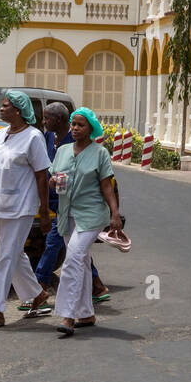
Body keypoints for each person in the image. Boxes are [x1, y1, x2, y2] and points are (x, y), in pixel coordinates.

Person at [0, 90, 51, 330]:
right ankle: (37, 295)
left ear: (18, 110)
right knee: (14, 253)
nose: (2, 109)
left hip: (21, 207)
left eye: (6, 106)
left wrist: (44, 212)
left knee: (5, 256)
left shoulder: (33, 137)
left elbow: (41, 176)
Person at [26, 102, 108, 310]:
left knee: (58, 247)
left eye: (47, 119)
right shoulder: (47, 139)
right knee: (77, 252)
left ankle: (41, 290)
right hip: (57, 202)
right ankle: (96, 288)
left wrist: (113, 213)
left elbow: (106, 183)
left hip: (81, 207)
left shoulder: (82, 143)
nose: (43, 123)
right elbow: (45, 169)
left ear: (60, 120)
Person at [49, 106, 122, 336]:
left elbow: (106, 186)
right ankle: (87, 313)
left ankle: (68, 315)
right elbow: (53, 178)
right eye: (73, 124)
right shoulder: (62, 151)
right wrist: (53, 181)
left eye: (81, 125)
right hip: (67, 213)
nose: (76, 128)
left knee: (73, 258)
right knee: (81, 262)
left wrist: (115, 214)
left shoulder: (100, 153)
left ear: (90, 128)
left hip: (91, 215)